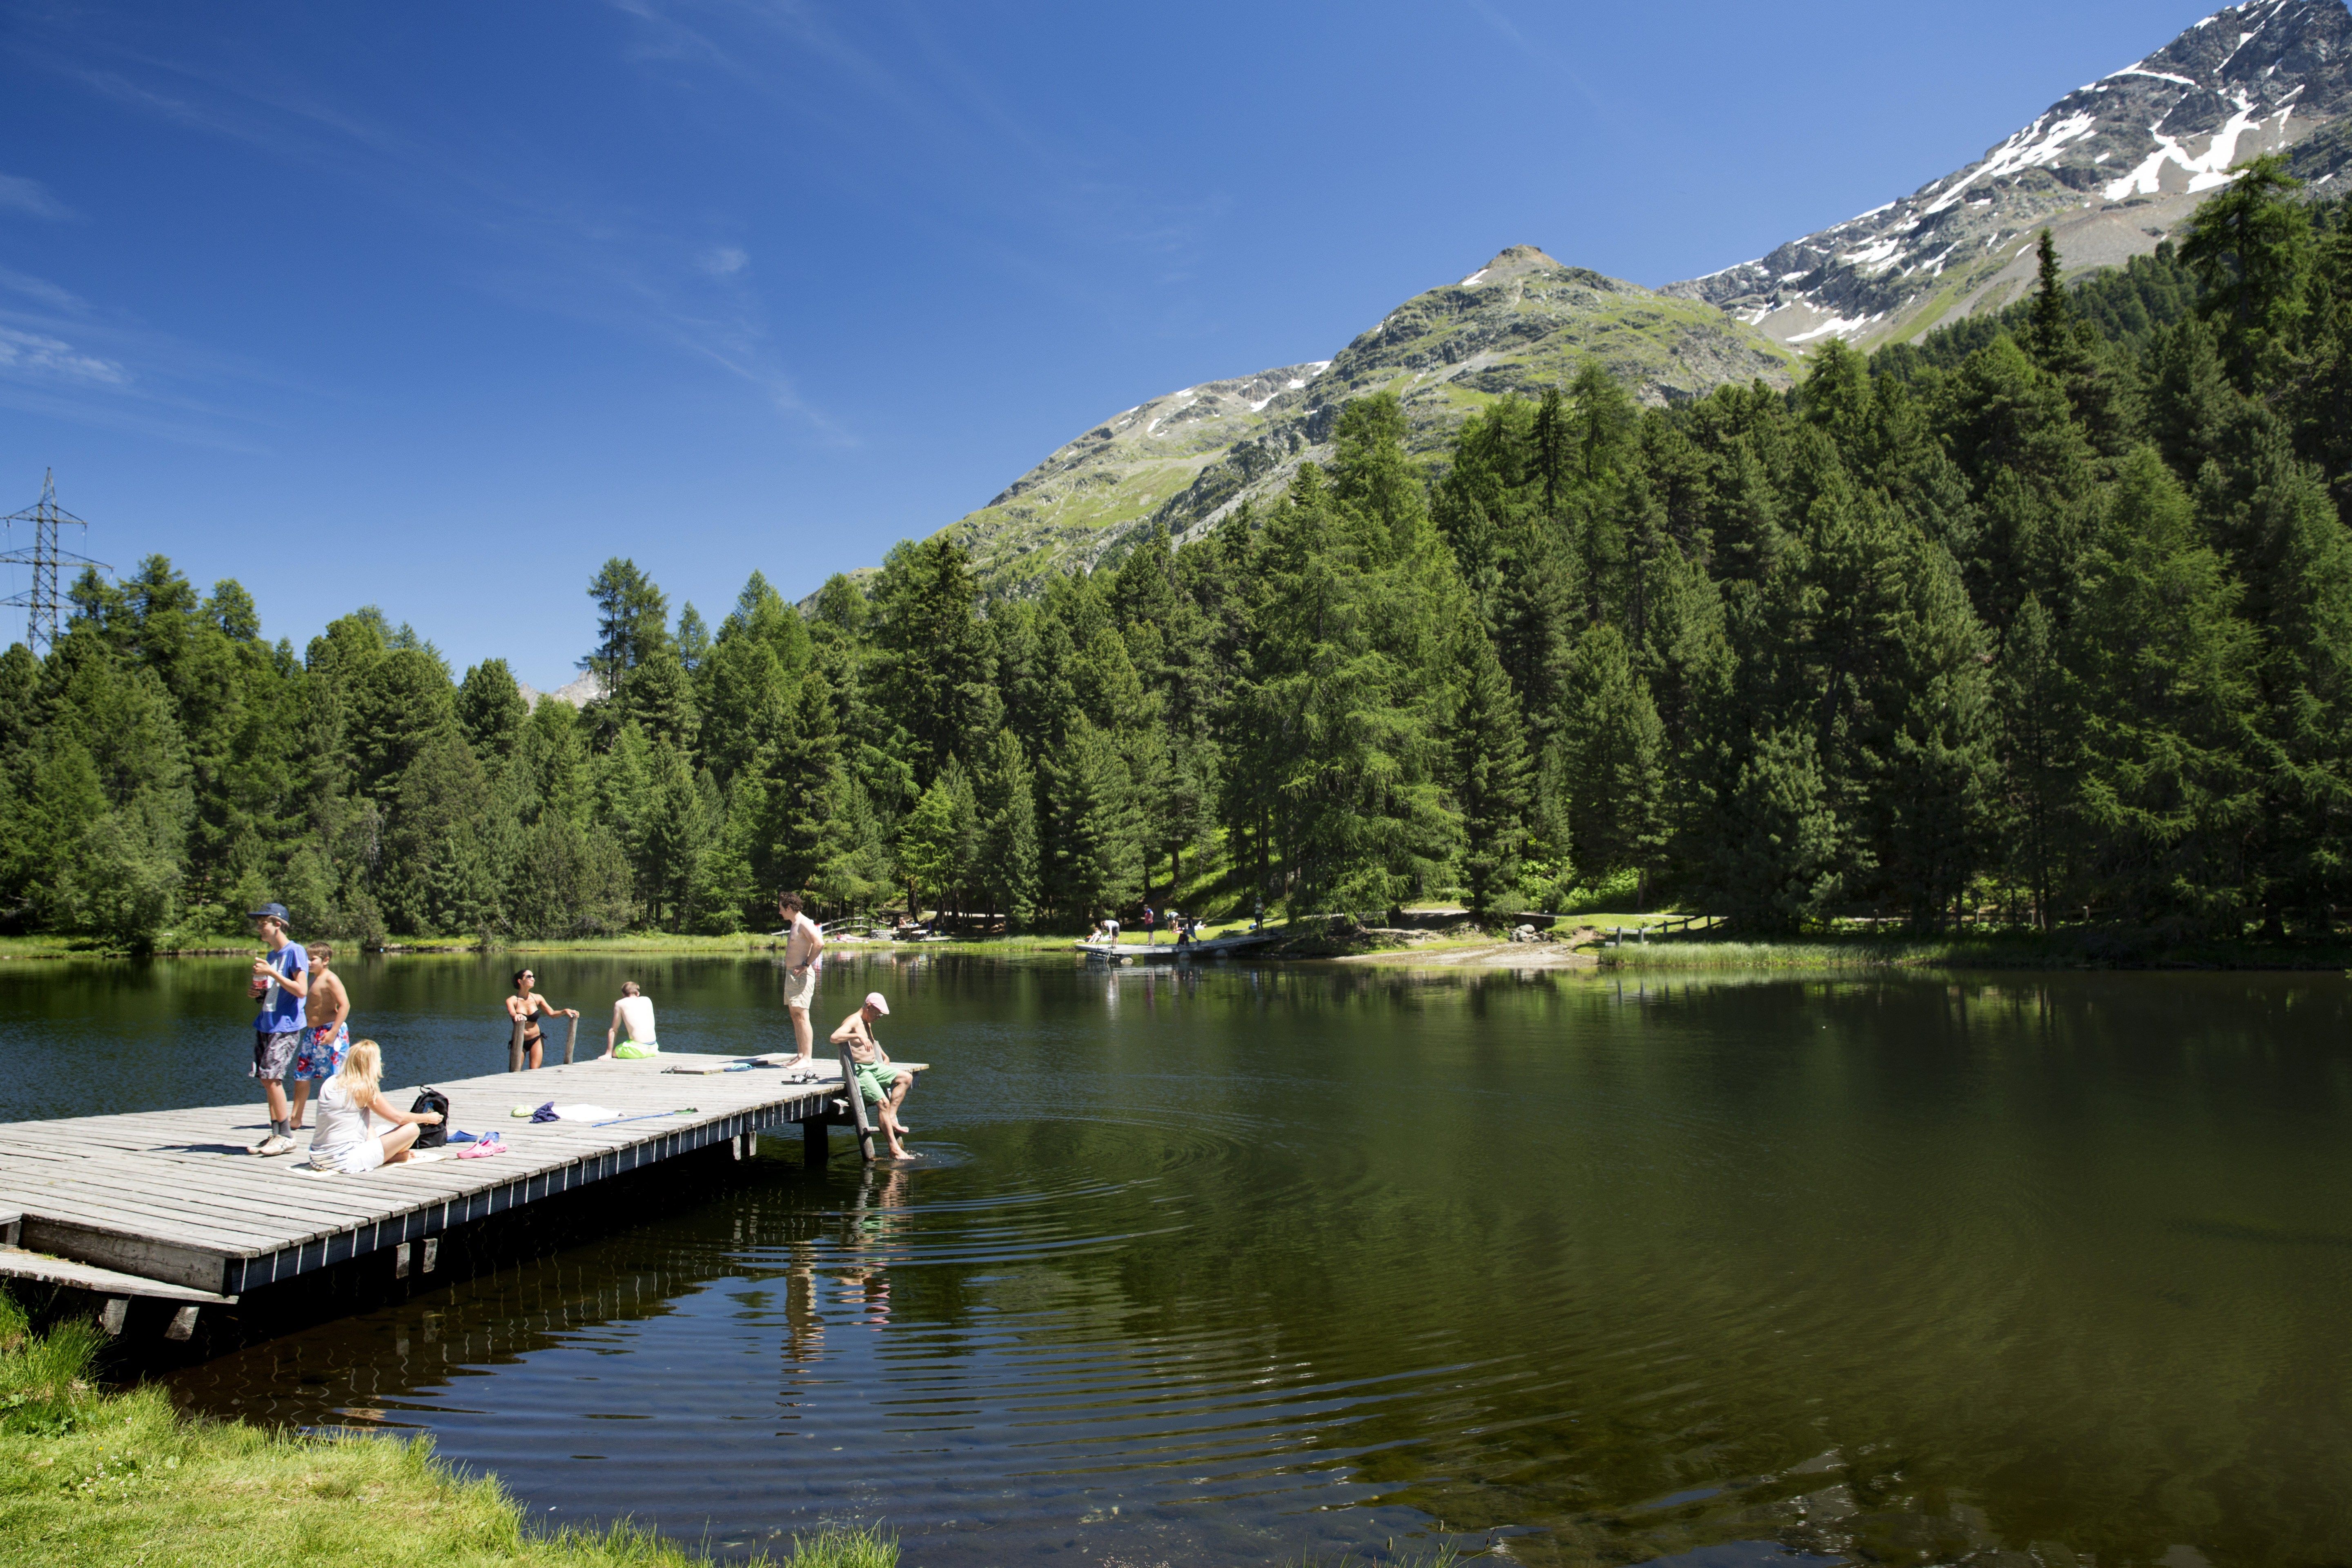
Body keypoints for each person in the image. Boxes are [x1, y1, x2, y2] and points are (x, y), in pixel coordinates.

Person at [307, 1038, 443, 1174]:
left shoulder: (331, 1081)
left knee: (382, 1129)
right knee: (412, 1129)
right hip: (343, 1161)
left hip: (319, 1157)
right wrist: (428, 1118)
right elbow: (398, 1118)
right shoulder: (364, 1087)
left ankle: (383, 1156)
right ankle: (391, 1157)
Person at [245, 902, 310, 1156]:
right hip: (267, 1022)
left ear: (278, 924)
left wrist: (272, 972)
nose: (259, 928)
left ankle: (286, 1136)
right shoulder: (272, 956)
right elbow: (276, 993)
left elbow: (301, 990)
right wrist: (258, 994)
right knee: (265, 1079)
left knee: (273, 1078)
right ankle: (276, 1133)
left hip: (286, 1026)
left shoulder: (296, 952)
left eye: (263, 923)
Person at [829, 991, 917, 1160]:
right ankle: (894, 1149)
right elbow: (834, 1037)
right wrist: (857, 1036)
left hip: (875, 1067)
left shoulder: (866, 1021)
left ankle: (891, 1117)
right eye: (877, 1013)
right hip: (860, 1071)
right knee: (883, 1103)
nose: (878, 1017)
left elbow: (871, 1040)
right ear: (868, 1007)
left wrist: (884, 1056)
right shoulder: (853, 1021)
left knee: (907, 1078)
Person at [287, 940, 351, 1131]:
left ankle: (338, 1116)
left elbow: (345, 1005)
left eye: (312, 959)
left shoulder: (330, 978)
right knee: (302, 1075)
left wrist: (333, 1033)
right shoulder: (310, 979)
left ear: (326, 960)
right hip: (312, 1033)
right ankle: (296, 1117)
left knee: (334, 1077)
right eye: (306, 959)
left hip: (331, 1031)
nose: (308, 963)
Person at [779, 891, 825, 1065]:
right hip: (792, 975)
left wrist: (806, 964)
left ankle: (807, 1058)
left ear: (789, 908)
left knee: (802, 1014)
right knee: (795, 1015)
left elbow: (819, 943)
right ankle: (800, 1055)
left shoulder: (804, 923)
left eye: (781, 909)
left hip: (801, 975)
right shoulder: (795, 923)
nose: (780, 912)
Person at [506, 969, 578, 1069]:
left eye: (533, 976)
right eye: (529, 977)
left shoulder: (538, 998)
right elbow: (512, 1013)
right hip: (519, 1041)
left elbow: (552, 1014)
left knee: (535, 1072)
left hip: (536, 1039)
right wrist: (516, 1016)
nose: (533, 979)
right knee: (515, 1072)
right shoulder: (512, 1000)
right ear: (520, 981)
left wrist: (564, 1011)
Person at [603, 980, 660, 1059]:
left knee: (615, 1053)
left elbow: (614, 1030)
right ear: (638, 993)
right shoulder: (647, 1000)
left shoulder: (620, 1004)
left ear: (623, 994)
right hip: (654, 1048)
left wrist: (608, 1053)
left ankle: (610, 1053)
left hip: (638, 1050)